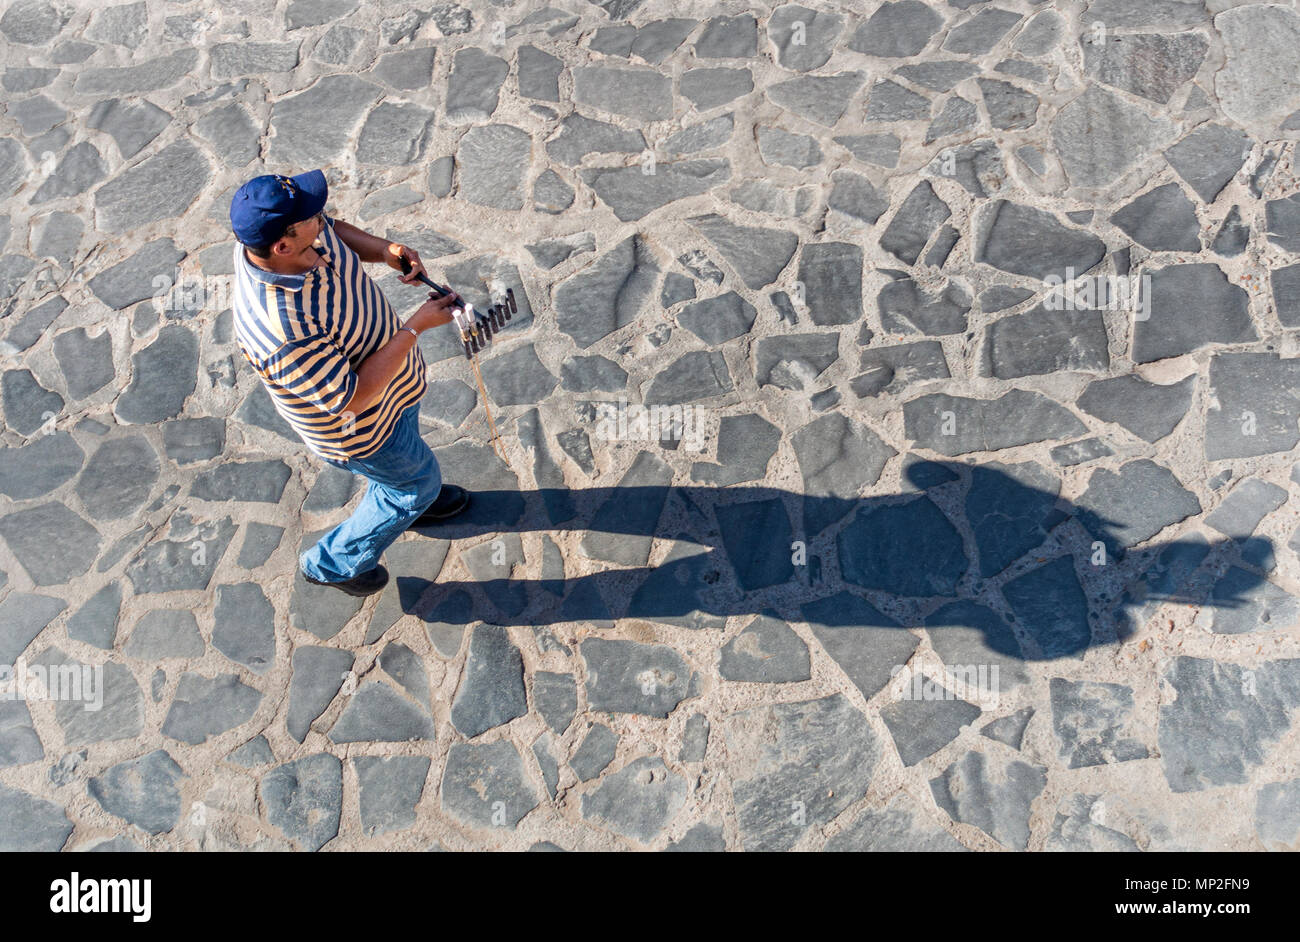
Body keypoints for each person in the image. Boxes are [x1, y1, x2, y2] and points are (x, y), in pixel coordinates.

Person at [229, 169, 470, 596]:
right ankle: (334, 563)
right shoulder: (282, 330)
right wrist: (415, 327)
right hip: (363, 429)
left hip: (393, 388)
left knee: (408, 469)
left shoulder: (276, 241)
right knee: (416, 483)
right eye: (311, 215)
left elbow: (334, 230)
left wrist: (386, 250)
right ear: (283, 246)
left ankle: (408, 499)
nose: (321, 216)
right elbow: (352, 398)